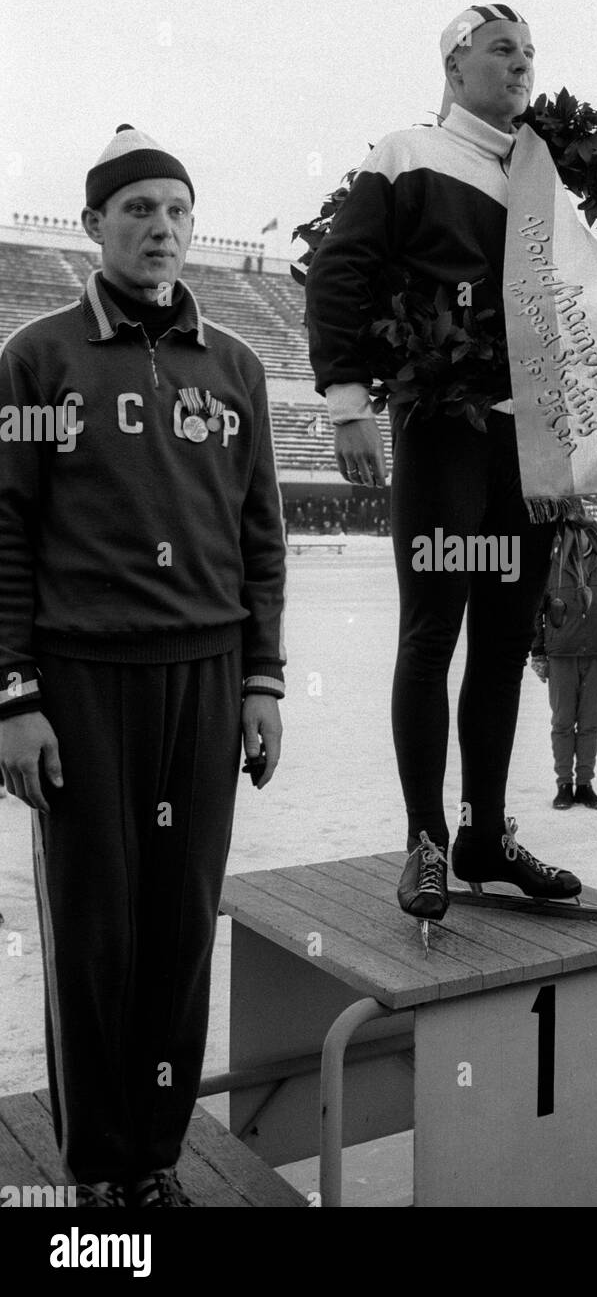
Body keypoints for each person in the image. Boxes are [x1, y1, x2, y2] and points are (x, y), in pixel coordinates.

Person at [0, 126, 286, 1207]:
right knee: (95, 933)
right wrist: (14, 694)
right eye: (136, 212)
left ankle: (157, 1157)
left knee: (176, 931)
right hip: (81, 682)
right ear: (92, 229)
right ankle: (96, 1169)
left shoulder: (240, 365)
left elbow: (262, 538)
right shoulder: (37, 358)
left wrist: (262, 681)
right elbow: (6, 534)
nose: (161, 229)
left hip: (205, 679)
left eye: (174, 208)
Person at [304, 6, 581, 927]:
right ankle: (425, 839)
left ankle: (485, 835)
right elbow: (341, 269)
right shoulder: (409, 152)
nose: (521, 65)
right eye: (502, 50)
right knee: (434, 634)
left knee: (505, 640)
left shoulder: (543, 175)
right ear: (455, 64)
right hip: (442, 424)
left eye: (530, 53)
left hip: (526, 436)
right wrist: (348, 402)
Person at [530, 514, 597, 810]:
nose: (580, 539)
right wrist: (537, 653)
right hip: (561, 656)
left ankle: (585, 783)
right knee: (562, 723)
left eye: (585, 533)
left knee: (590, 723)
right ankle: (564, 784)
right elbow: (537, 612)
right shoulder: (552, 568)